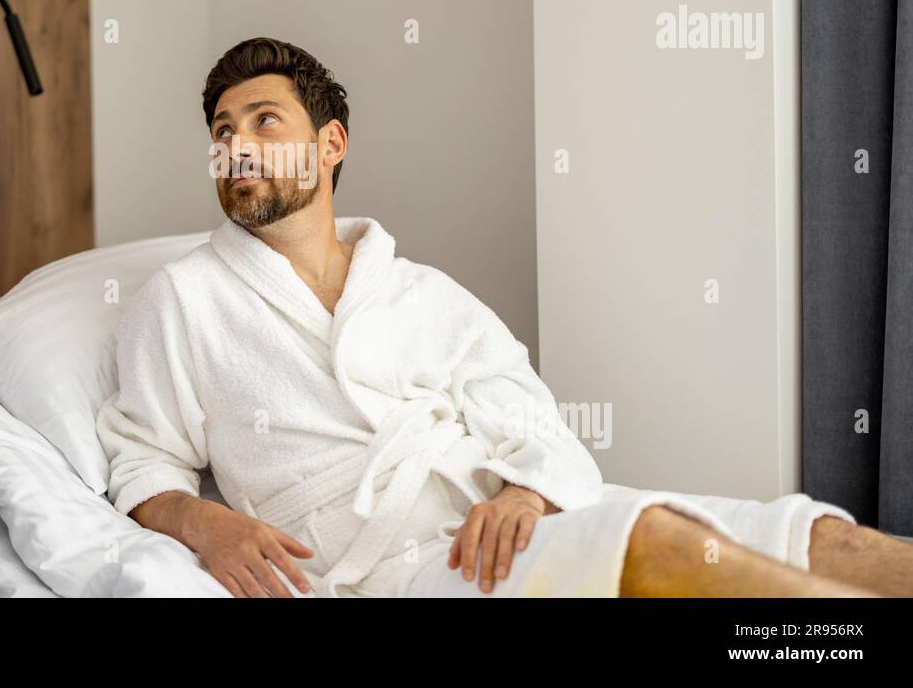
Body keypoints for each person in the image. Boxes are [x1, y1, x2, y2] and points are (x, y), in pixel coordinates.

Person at [96, 36, 913, 598]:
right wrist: (205, 523)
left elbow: (532, 416)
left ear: (331, 142)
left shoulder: (418, 289)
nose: (235, 144)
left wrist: (528, 492)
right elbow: (141, 462)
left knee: (825, 543)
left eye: (263, 121)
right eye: (221, 130)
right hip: (402, 570)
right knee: (660, 541)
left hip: (505, 526)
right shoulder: (183, 299)